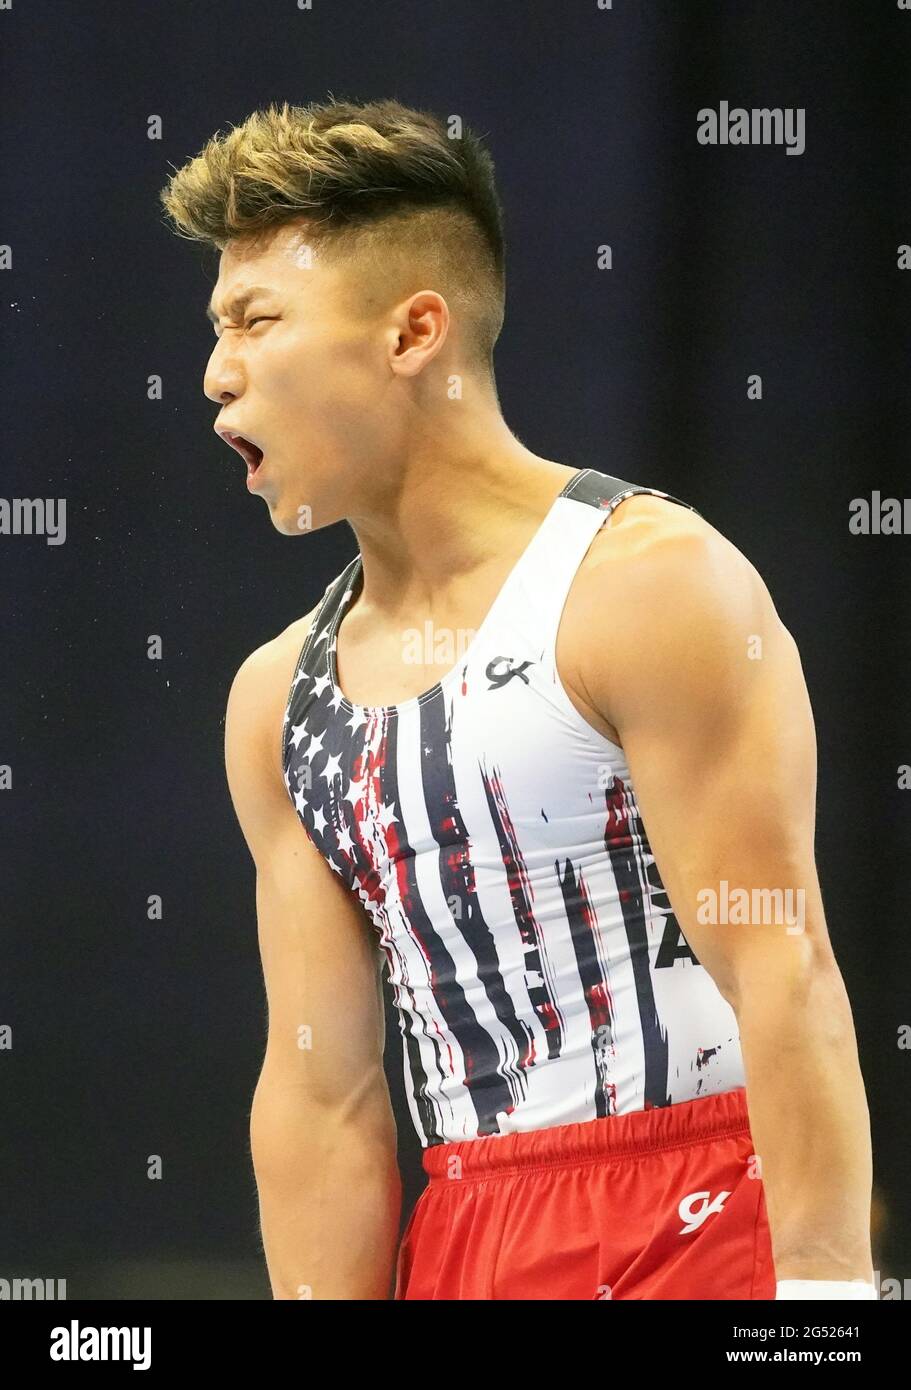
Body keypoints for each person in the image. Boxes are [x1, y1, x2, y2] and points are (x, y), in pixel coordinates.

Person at [160, 98, 875, 1300]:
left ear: (412, 332)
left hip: (699, 1214)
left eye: (254, 320)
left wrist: (821, 1296)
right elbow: (321, 1092)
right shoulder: (277, 698)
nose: (213, 374)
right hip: (465, 1234)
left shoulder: (647, 586)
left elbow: (781, 967)